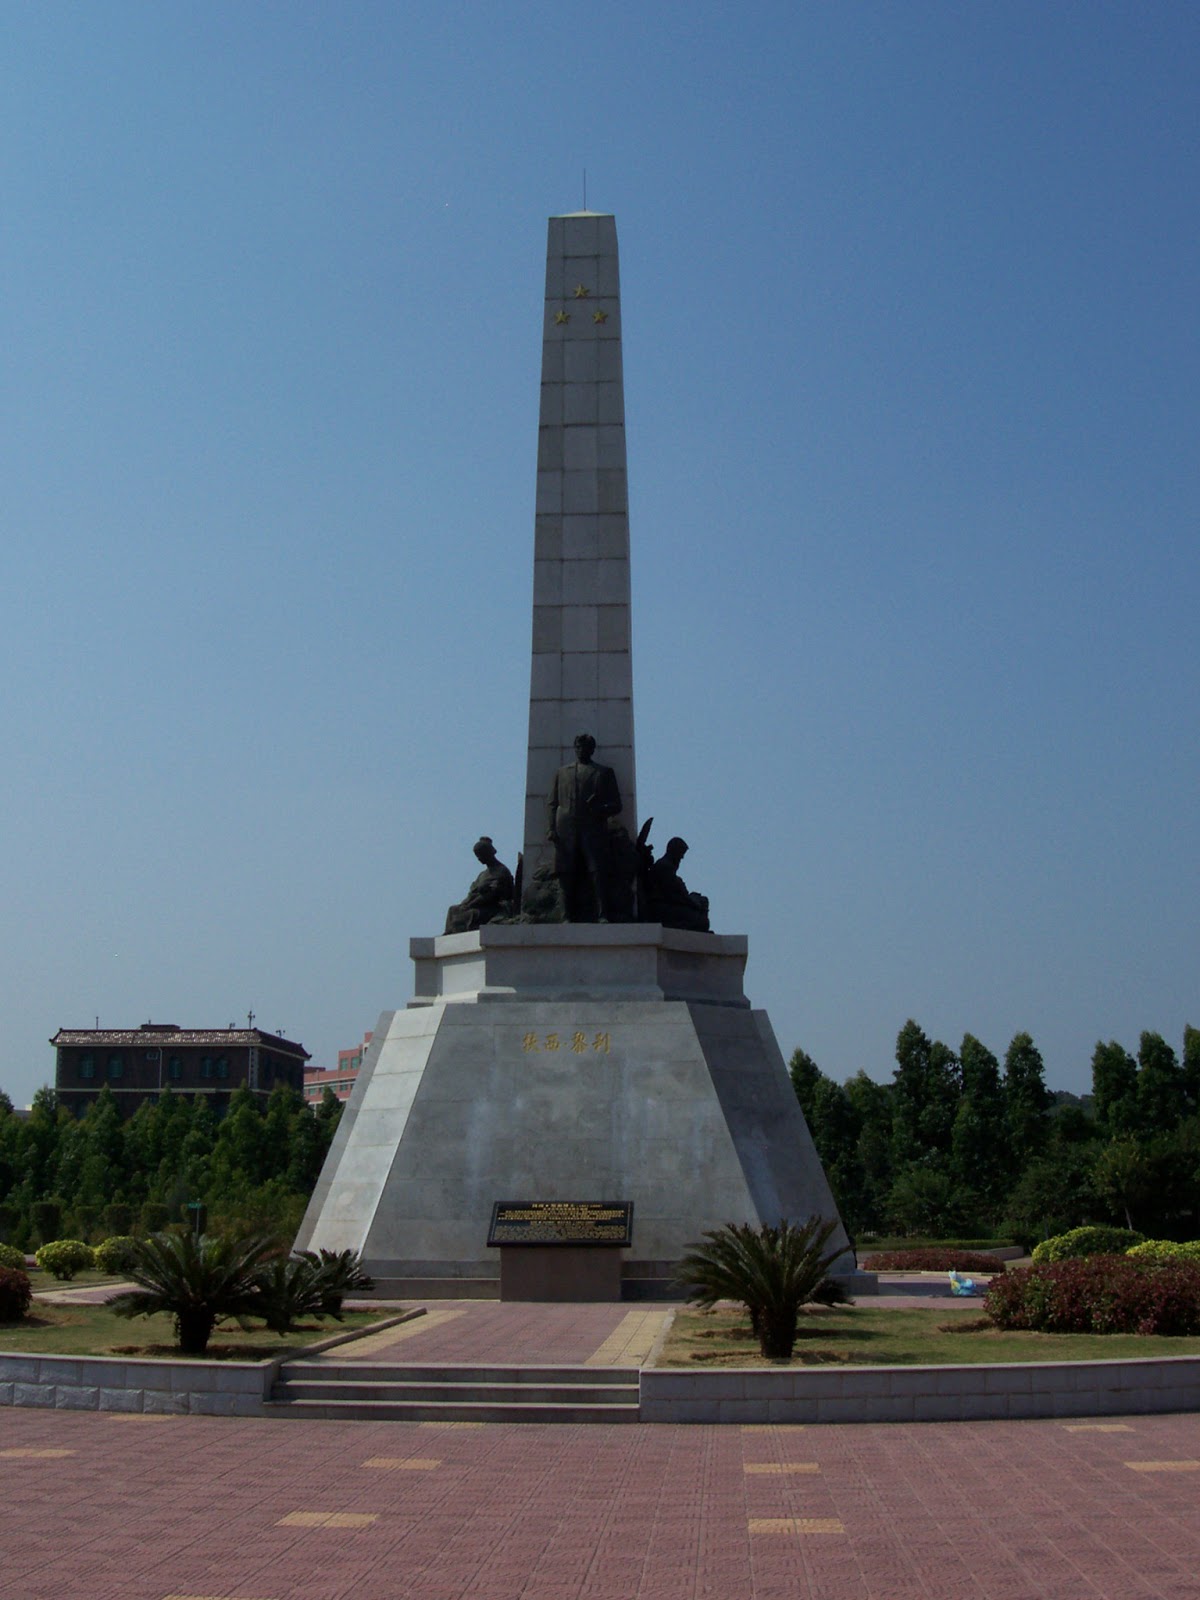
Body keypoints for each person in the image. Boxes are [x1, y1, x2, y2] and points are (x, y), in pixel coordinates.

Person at [545, 733, 622, 921]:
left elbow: (617, 805)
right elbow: (552, 803)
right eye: (578, 747)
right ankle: (566, 915)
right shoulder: (562, 773)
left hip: (593, 828)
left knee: (597, 872)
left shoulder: (604, 773)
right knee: (566, 873)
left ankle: (603, 914)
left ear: (592, 750)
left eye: (585, 747)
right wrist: (551, 829)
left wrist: (600, 809)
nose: (581, 750)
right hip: (566, 830)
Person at [443, 837, 514, 934]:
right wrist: (465, 904)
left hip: (493, 908)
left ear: (488, 853)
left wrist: (469, 905)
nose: (479, 859)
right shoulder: (482, 874)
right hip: (476, 905)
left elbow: (491, 895)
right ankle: (449, 936)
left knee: (463, 916)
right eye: (477, 856)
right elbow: (472, 893)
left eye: (481, 855)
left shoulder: (501, 871)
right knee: (453, 910)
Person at [646, 836, 710, 932]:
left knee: (702, 902)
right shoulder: (664, 867)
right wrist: (693, 902)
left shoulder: (667, 867)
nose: (682, 857)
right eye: (681, 854)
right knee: (699, 918)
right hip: (661, 908)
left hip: (670, 904)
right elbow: (671, 895)